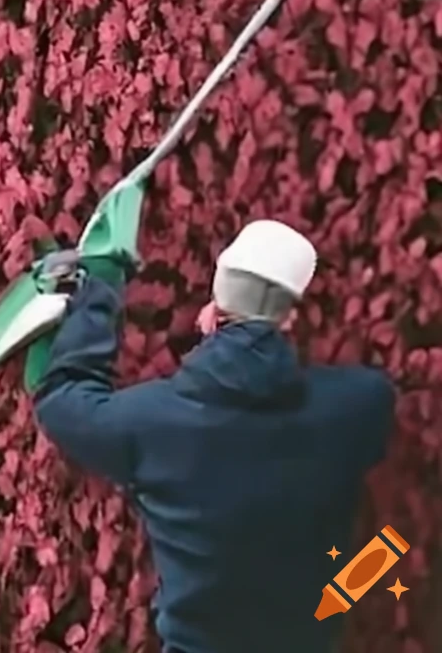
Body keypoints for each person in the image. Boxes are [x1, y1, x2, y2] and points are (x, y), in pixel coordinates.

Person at [33, 219, 396, 653]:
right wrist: (345, 596)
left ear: (211, 315)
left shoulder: (152, 423)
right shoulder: (356, 406)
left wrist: (96, 297)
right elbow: (376, 406)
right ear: (288, 318)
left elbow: (62, 399)